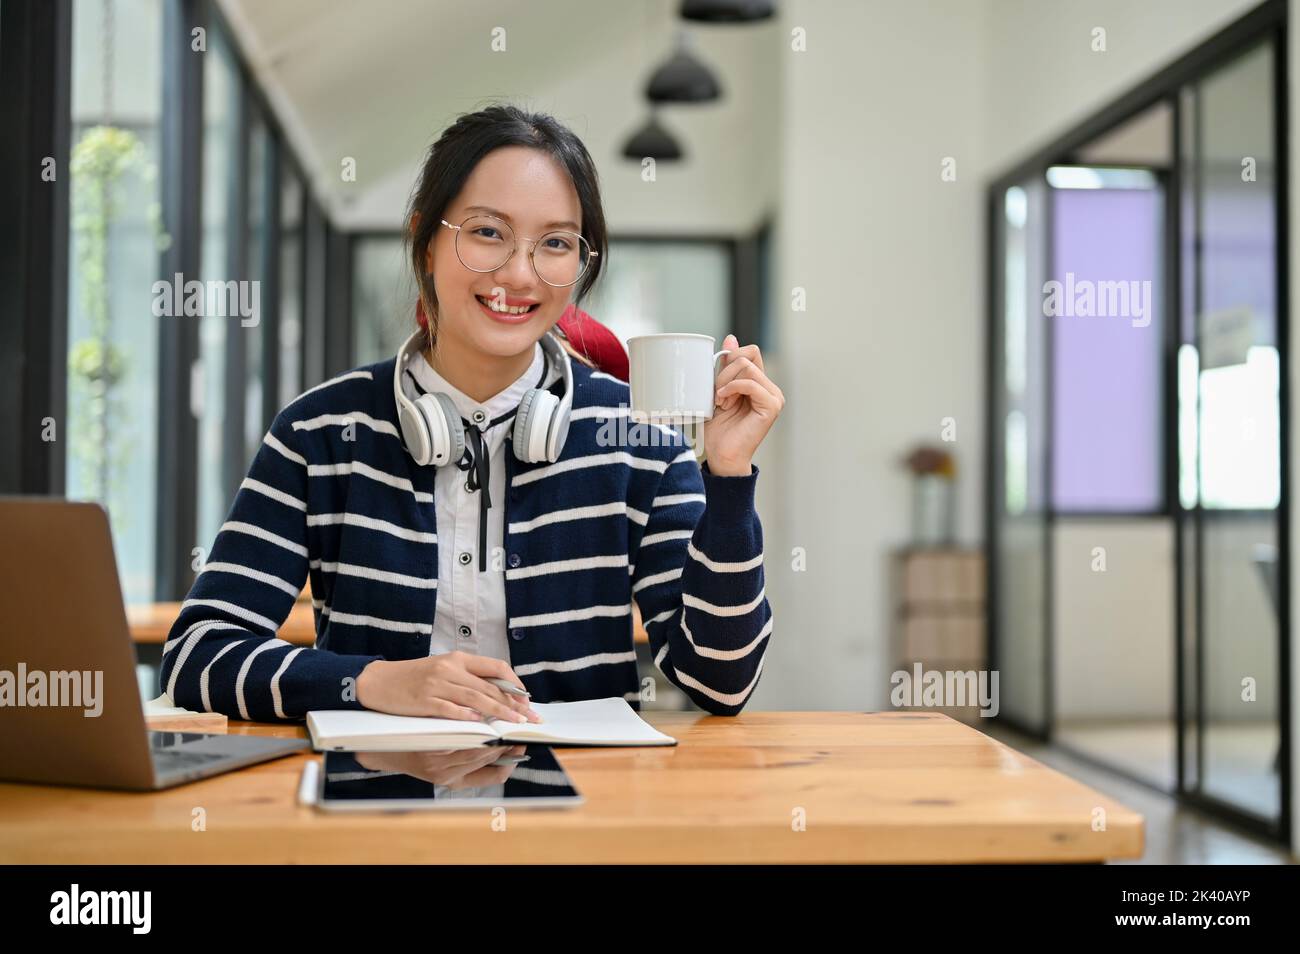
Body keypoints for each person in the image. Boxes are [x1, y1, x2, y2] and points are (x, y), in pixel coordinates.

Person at [160, 104, 784, 737]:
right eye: (487, 232)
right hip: (375, 787)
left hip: (583, 792)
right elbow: (196, 654)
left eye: (556, 243)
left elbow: (721, 680)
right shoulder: (319, 432)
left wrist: (729, 477)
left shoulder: (640, 442)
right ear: (426, 241)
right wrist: (373, 682)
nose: (518, 273)